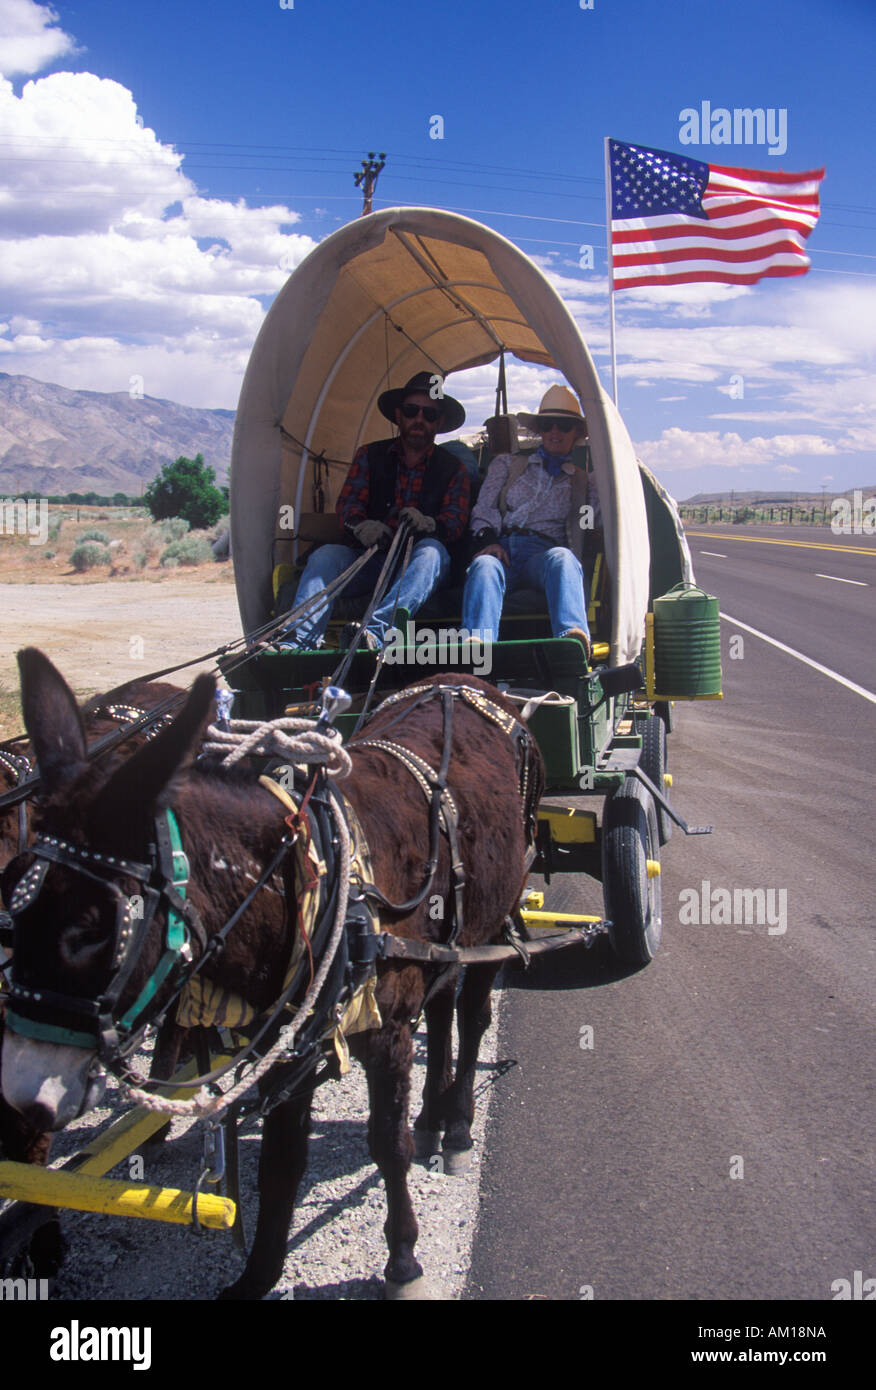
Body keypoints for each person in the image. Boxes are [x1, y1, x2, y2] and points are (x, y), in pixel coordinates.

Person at [277, 371, 470, 650]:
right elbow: (348, 505)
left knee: (431, 552)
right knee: (325, 556)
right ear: (399, 416)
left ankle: (376, 635)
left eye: (429, 415)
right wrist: (361, 527)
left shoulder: (455, 469)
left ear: (438, 423)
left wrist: (428, 524)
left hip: (418, 567)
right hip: (370, 558)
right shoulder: (368, 455)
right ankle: (297, 641)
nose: (419, 419)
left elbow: (455, 523)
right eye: (411, 410)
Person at [461, 385, 598, 659]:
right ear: (541, 431)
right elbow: (484, 507)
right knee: (484, 565)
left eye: (564, 426)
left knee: (563, 558)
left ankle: (571, 644)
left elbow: (589, 523)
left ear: (577, 434)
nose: (555, 432)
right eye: (548, 425)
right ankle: (478, 648)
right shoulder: (508, 465)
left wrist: (594, 495)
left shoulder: (582, 481)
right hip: (504, 548)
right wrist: (488, 541)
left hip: (543, 554)